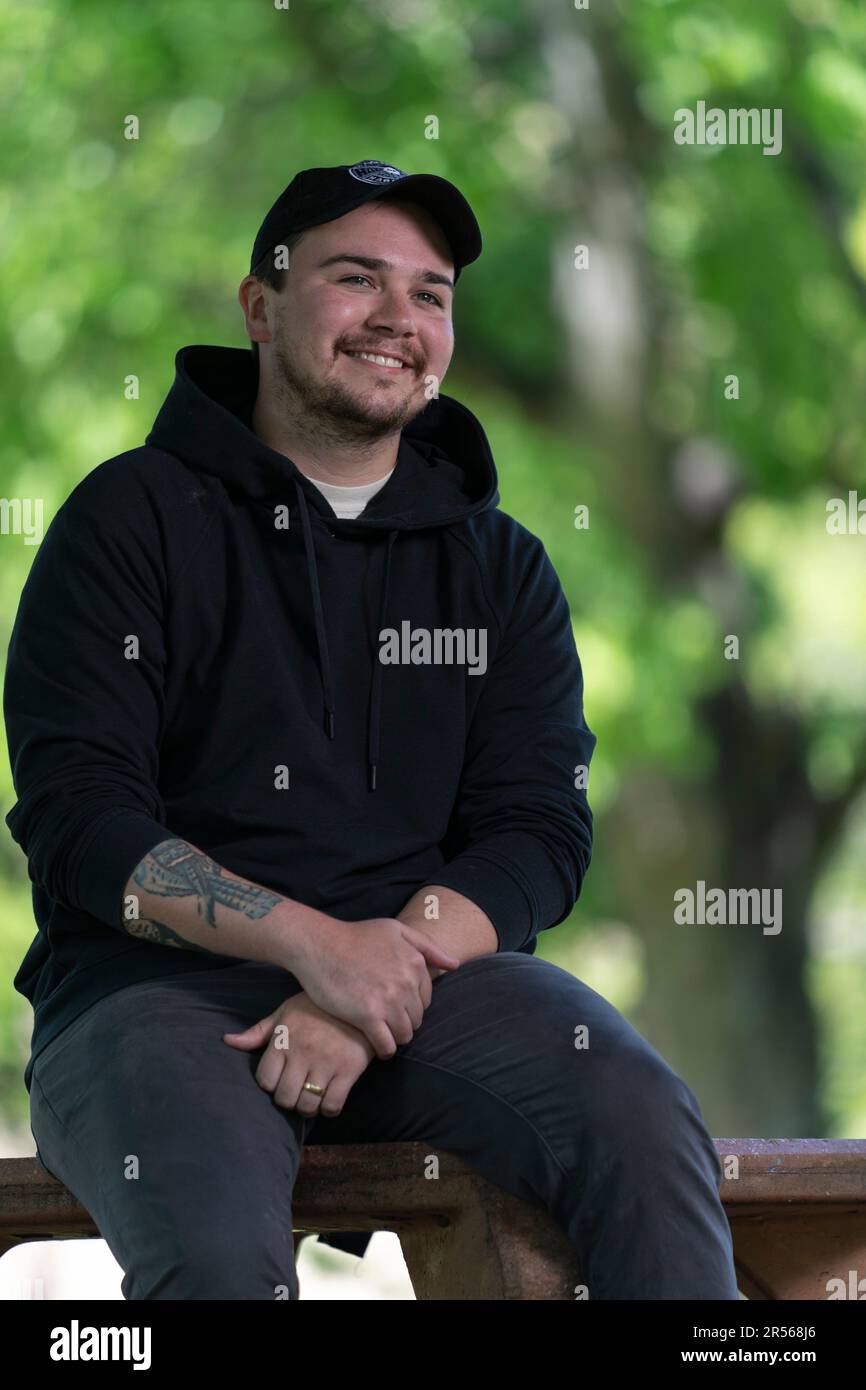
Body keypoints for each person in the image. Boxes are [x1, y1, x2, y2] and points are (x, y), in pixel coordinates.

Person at [4, 159, 739, 1300]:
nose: (399, 318)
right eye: (357, 279)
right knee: (210, 1260)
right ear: (262, 304)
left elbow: (535, 831)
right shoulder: (127, 520)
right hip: (150, 997)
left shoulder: (498, 566)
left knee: (636, 1113)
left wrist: (373, 977)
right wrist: (310, 944)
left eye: (430, 293)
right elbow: (82, 825)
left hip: (436, 983)